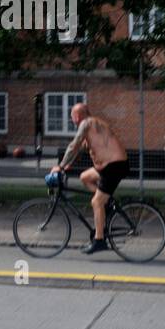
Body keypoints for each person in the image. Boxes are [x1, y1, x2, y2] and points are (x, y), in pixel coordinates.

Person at [49, 102, 128, 253]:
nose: (72, 119)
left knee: (96, 202)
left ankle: (99, 241)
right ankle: (106, 203)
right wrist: (68, 164)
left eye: (72, 116)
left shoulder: (86, 123)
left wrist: (60, 166)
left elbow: (74, 145)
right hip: (110, 166)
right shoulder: (94, 124)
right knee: (85, 177)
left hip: (113, 167)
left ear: (77, 116)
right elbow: (80, 148)